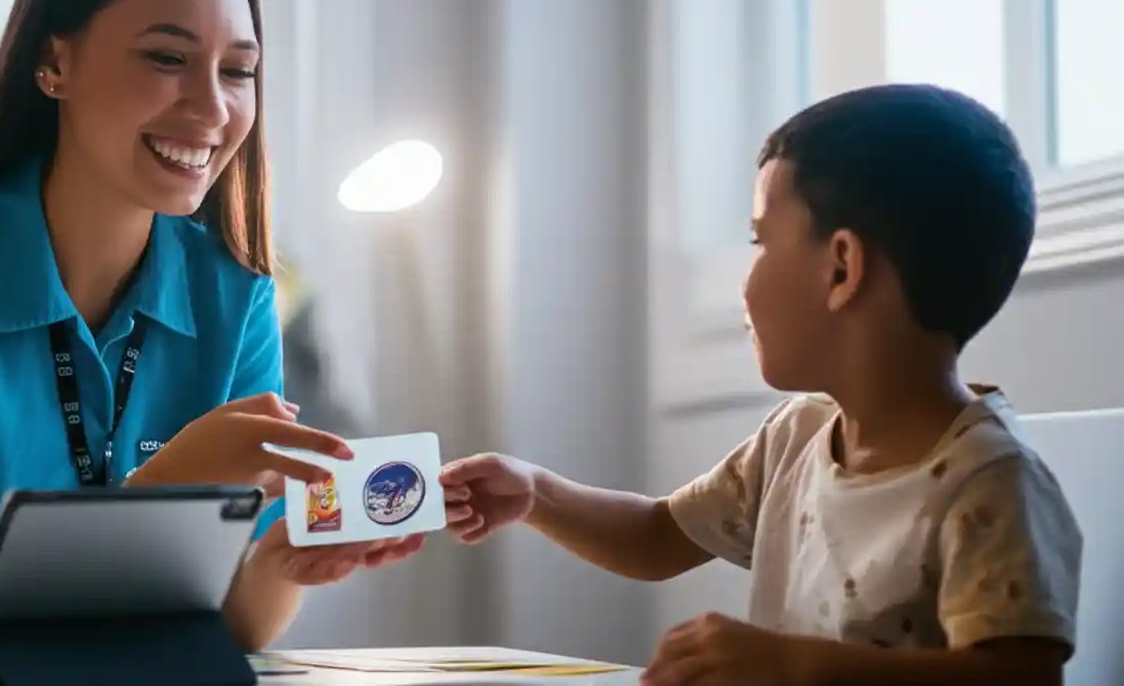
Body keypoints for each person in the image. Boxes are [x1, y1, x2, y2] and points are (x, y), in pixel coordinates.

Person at [0, 0, 423, 658]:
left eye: (238, 71)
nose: (213, 109)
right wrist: (164, 491)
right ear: (54, 62)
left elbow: (230, 617)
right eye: (167, 58)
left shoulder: (236, 293)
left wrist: (283, 562)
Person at [441, 84, 1082, 685]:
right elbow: (659, 537)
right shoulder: (795, 437)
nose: (745, 281)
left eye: (760, 241)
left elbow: (1018, 674)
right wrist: (537, 492)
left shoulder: (991, 480)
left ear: (841, 268)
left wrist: (799, 667)